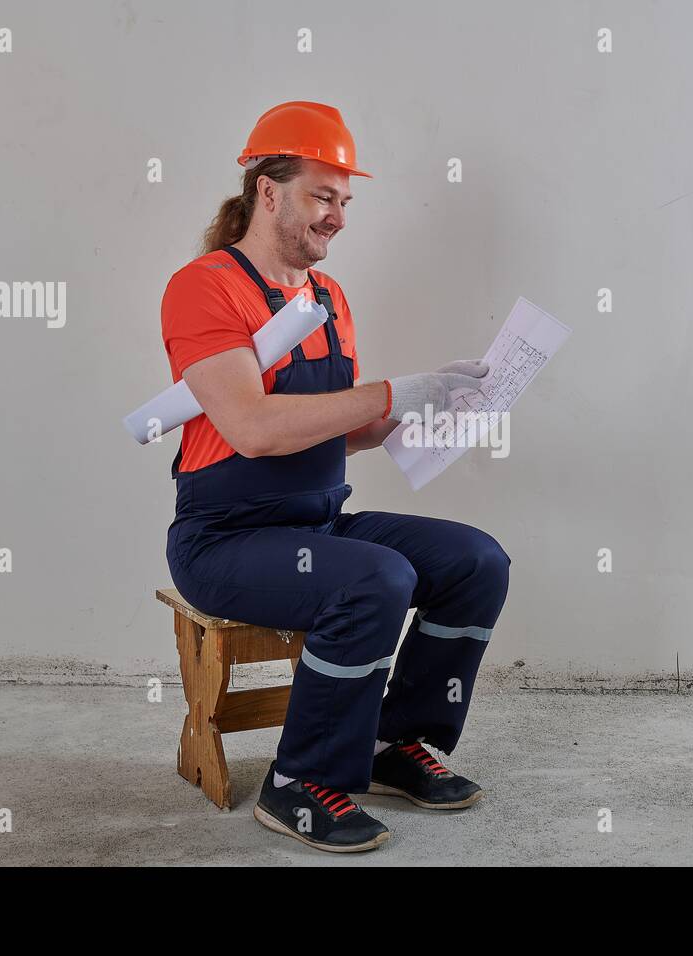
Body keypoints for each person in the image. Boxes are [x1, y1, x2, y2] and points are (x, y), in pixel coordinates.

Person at [161, 101, 511, 853]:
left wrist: (422, 408)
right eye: (324, 196)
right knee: (375, 579)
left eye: (345, 201)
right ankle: (298, 783)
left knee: (476, 561)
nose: (338, 218)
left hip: (316, 524)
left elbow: (336, 432)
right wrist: (391, 391)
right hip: (224, 539)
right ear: (268, 189)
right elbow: (251, 428)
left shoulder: (327, 298)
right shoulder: (205, 288)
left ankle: (393, 744)